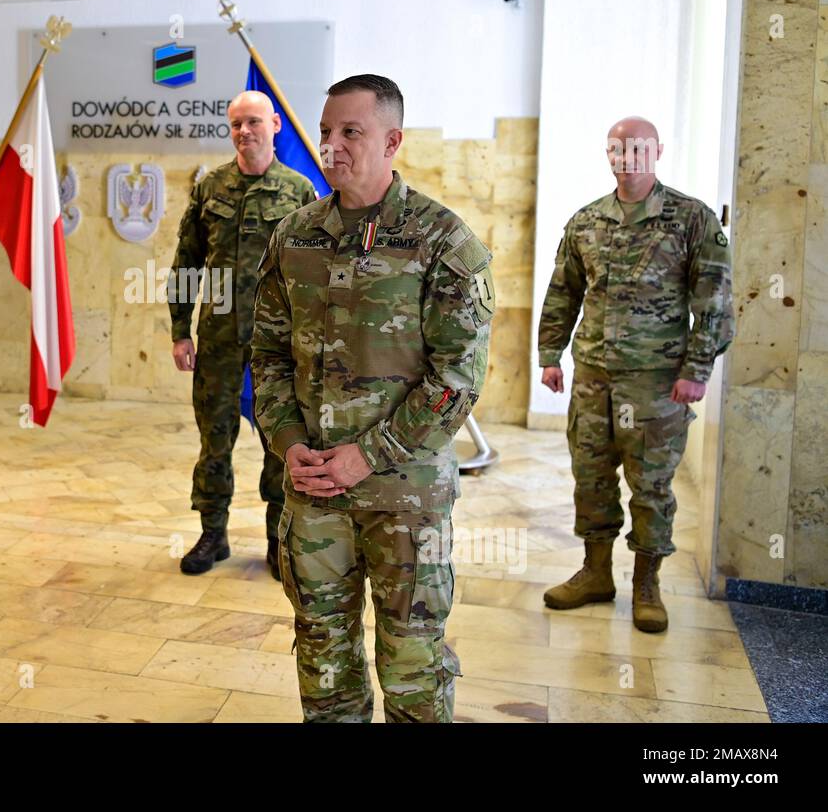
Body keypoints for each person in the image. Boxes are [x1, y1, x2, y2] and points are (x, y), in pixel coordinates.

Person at [252, 74, 493, 722]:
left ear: (393, 142)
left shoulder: (442, 242)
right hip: (313, 494)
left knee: (413, 666)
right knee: (323, 656)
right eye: (326, 131)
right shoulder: (293, 238)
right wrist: (287, 443)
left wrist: (370, 454)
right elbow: (269, 356)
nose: (331, 145)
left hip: (403, 498)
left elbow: (457, 380)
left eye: (349, 132)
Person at [538, 116, 734, 633]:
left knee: (650, 485)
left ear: (657, 151)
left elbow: (713, 301)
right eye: (617, 148)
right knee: (591, 476)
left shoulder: (691, 219)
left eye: (638, 148)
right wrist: (550, 354)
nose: (627, 157)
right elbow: (564, 291)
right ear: (608, 154)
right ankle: (595, 573)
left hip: (657, 380)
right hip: (593, 375)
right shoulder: (586, 222)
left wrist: (697, 370)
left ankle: (647, 584)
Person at [169, 90, 316, 576]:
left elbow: (314, 275)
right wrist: (179, 330)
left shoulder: (298, 192)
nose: (244, 132)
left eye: (253, 122)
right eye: (235, 125)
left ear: (275, 124)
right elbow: (187, 262)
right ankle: (213, 534)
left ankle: (278, 541)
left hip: (278, 346)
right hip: (217, 341)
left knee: (281, 441)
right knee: (215, 441)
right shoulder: (210, 187)